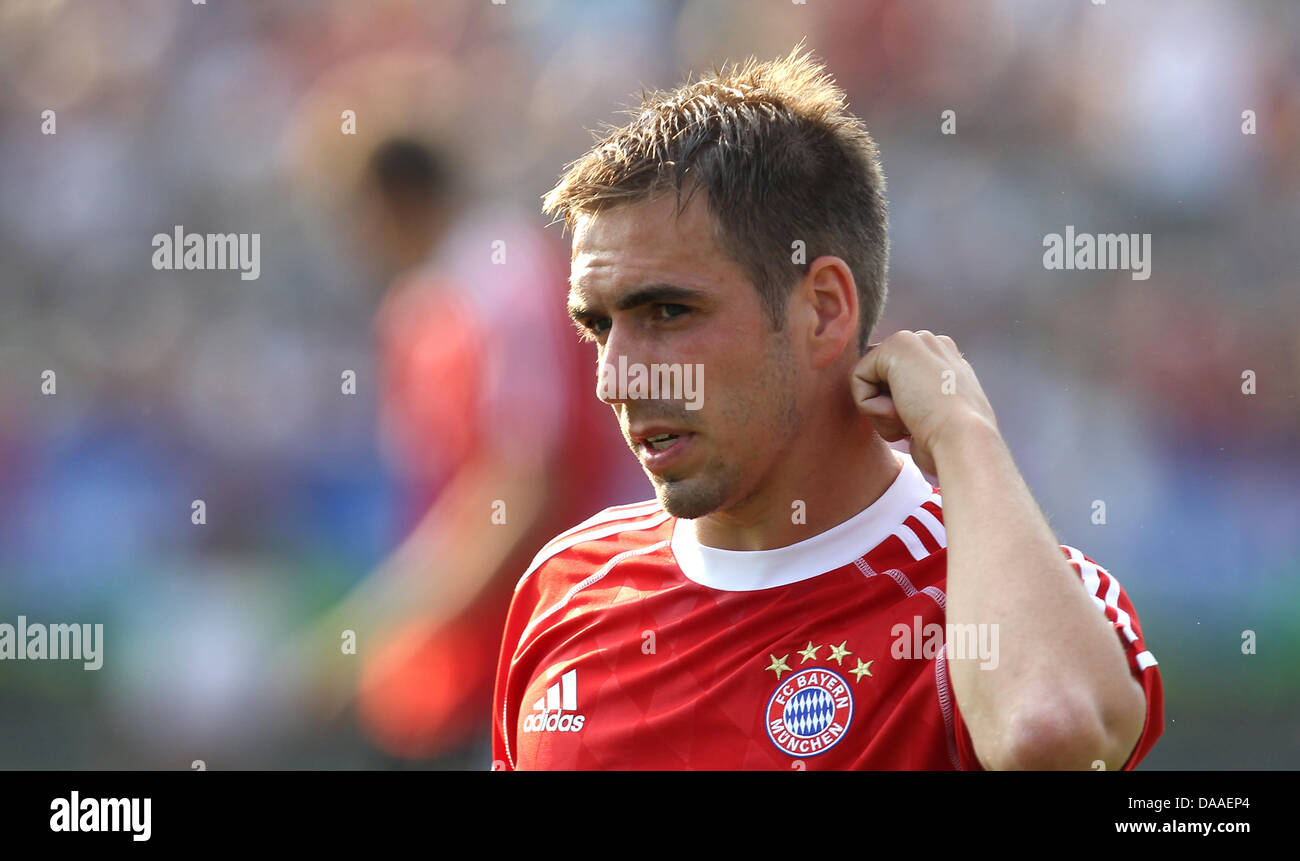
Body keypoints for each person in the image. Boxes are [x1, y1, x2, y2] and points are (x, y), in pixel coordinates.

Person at [489, 48, 1163, 770]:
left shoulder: (1001, 600)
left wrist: (964, 434)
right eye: (598, 326)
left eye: (667, 311)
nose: (613, 378)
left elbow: (1049, 733)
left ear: (823, 310)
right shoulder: (564, 587)